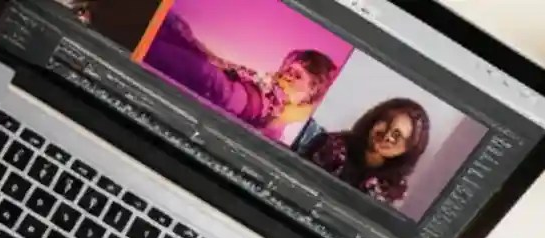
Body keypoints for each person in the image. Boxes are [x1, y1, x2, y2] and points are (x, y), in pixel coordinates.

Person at [144, 12, 340, 144]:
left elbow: (218, 87)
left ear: (307, 96)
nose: (288, 74)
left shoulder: (273, 114)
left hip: (236, 98)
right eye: (288, 69)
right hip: (230, 87)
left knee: (188, 60)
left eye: (297, 76)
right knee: (177, 28)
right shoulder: (261, 84)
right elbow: (220, 65)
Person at [297, 98, 431, 206]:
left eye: (397, 135)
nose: (388, 136)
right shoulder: (330, 144)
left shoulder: (394, 190)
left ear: (407, 150)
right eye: (387, 123)